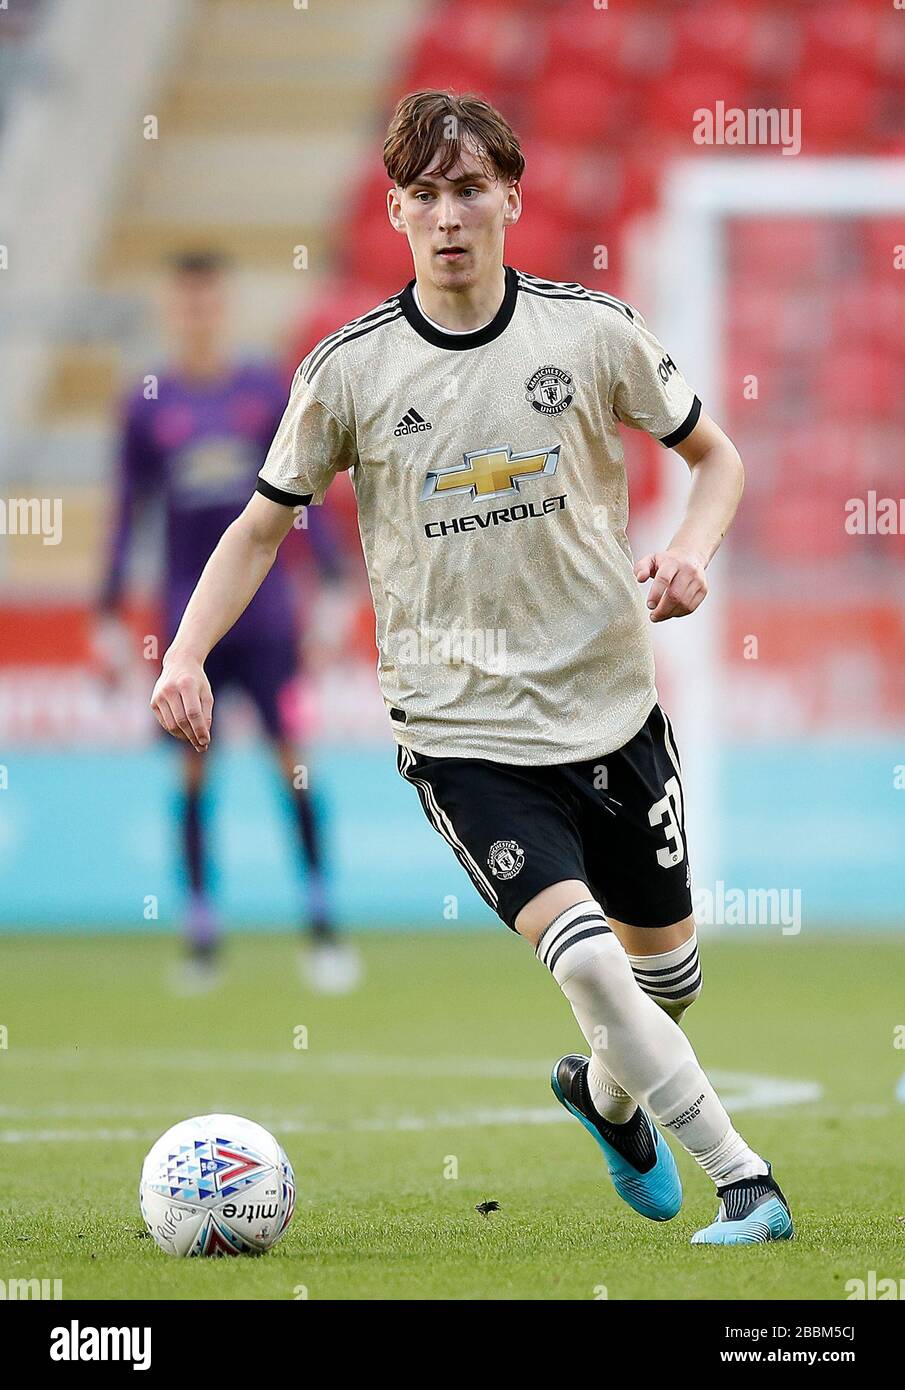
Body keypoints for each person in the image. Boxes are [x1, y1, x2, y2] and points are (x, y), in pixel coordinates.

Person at [150, 93, 792, 1243]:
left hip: (612, 711)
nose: (448, 215)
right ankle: (744, 1177)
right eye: (425, 193)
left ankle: (606, 1101)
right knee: (587, 965)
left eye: (468, 189)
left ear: (509, 197)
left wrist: (691, 552)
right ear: (393, 208)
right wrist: (185, 651)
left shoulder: (591, 332)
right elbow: (258, 524)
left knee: (666, 983)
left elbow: (716, 458)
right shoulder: (347, 372)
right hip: (463, 733)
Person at [101, 250, 361, 995]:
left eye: (208, 300)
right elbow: (128, 513)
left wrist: (336, 588)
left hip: (270, 615)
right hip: (187, 623)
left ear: (225, 305)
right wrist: (106, 613)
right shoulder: (147, 405)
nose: (198, 313)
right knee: (192, 771)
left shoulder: (262, 391)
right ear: (170, 310)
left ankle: (321, 927)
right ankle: (202, 932)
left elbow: (301, 493)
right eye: (186, 302)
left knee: (293, 761)